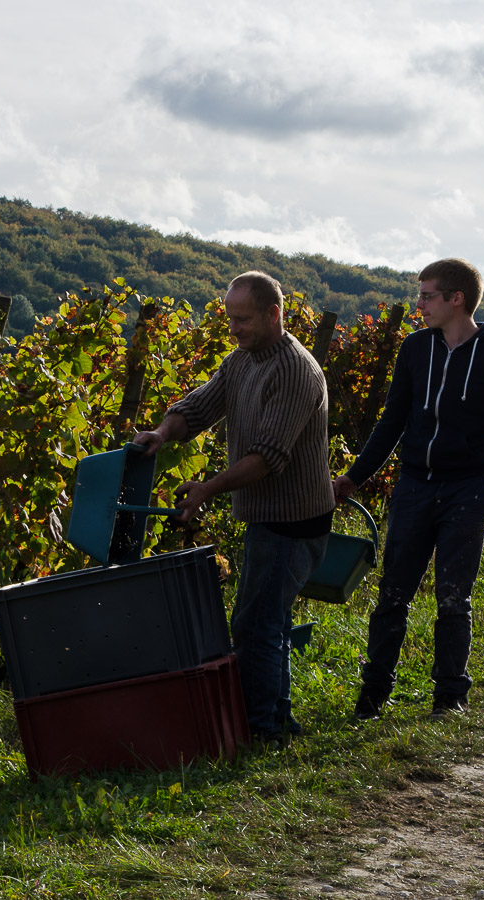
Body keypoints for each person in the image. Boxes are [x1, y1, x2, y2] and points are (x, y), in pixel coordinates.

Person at [134, 270, 335, 748]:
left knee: (256, 624)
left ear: (273, 314)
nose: (234, 328)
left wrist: (207, 488)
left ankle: (262, 730)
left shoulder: (295, 371)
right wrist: (162, 435)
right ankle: (277, 721)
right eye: (229, 318)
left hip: (293, 520)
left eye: (243, 319)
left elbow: (268, 458)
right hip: (267, 515)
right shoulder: (241, 361)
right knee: (270, 619)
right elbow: (198, 407)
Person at [332, 257, 484, 720]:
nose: (418, 304)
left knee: (452, 596)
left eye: (426, 295)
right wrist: (354, 477)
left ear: (456, 299)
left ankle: (449, 699)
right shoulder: (414, 350)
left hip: (468, 489)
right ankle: (372, 696)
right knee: (392, 594)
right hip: (414, 487)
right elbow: (391, 422)